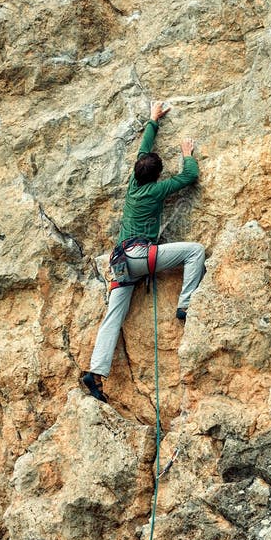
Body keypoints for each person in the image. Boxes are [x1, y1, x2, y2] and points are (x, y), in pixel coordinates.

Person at [81, 101, 206, 402]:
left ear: (138, 171)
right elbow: (189, 178)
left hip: (120, 262)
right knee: (195, 251)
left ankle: (94, 373)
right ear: (157, 176)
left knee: (114, 316)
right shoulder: (156, 190)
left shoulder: (134, 184)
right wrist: (188, 156)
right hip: (139, 257)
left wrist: (153, 119)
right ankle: (185, 304)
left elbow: (144, 148)